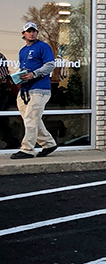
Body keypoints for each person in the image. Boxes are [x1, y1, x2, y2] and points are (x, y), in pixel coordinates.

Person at [10, 22, 58, 160]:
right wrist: (18, 77)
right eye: (29, 31)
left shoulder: (43, 46)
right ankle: (48, 143)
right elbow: (23, 69)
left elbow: (50, 65)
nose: (32, 33)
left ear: (37, 33)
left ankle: (27, 149)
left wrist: (34, 74)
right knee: (31, 119)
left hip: (40, 89)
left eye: (34, 31)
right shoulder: (22, 51)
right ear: (23, 34)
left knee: (31, 118)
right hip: (25, 90)